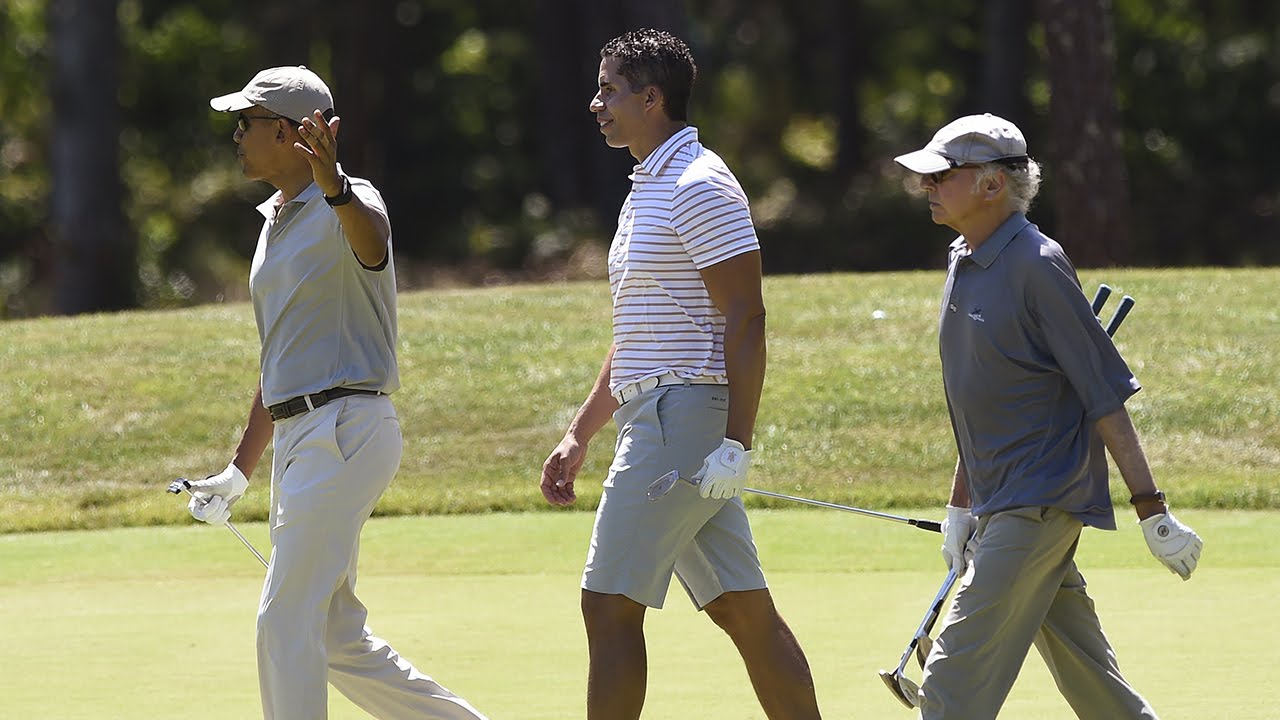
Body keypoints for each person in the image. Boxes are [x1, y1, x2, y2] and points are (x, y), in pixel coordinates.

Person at [188, 65, 487, 720]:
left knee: (284, 618)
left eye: (247, 124)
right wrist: (240, 470)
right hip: (304, 435)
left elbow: (372, 245)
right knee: (332, 636)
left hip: (346, 426)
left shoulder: (355, 200)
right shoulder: (274, 222)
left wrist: (336, 187)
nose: (236, 135)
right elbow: (281, 358)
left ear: (296, 134)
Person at [539, 29, 822, 720]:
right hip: (660, 414)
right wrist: (580, 433)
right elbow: (639, 332)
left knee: (607, 605)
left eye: (609, 89)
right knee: (740, 609)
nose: (596, 103)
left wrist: (737, 442)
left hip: (683, 422)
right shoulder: (648, 187)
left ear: (651, 97)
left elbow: (747, 317)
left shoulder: (699, 185)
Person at [894, 113, 1204, 718]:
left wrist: (1153, 511)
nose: (927, 186)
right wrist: (961, 505)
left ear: (992, 184)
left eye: (943, 175)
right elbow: (984, 400)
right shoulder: (963, 258)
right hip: (1002, 500)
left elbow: (1102, 395)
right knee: (1093, 684)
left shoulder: (1037, 263)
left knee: (950, 688)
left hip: (1037, 504)